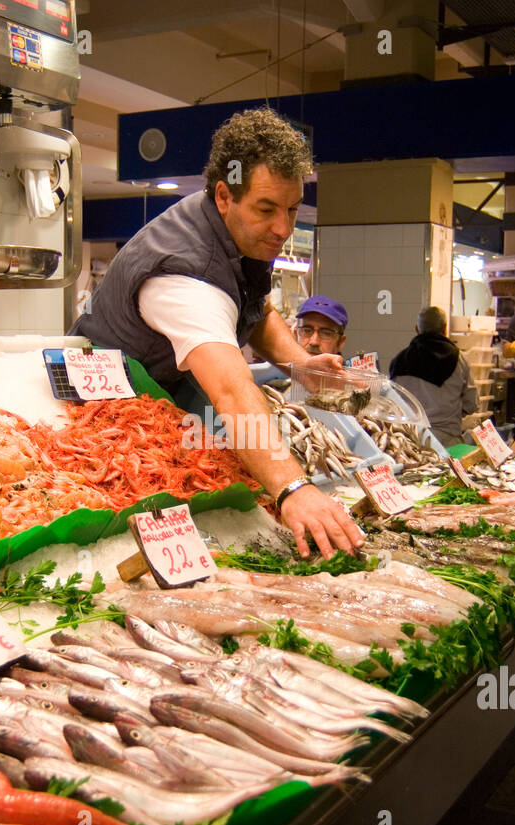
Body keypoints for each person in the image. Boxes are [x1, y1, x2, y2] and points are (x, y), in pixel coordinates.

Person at [68, 107, 363, 559]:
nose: (283, 228)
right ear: (224, 195)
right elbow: (229, 387)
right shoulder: (187, 276)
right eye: (267, 209)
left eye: (291, 209)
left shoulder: (238, 229)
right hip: (102, 425)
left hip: (166, 395)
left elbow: (256, 308)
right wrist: (293, 488)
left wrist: (297, 363)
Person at [388, 306, 478, 447]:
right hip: (448, 441)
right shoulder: (459, 359)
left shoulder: (399, 360)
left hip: (409, 441)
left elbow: (391, 403)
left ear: (417, 329)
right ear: (445, 329)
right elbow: (471, 405)